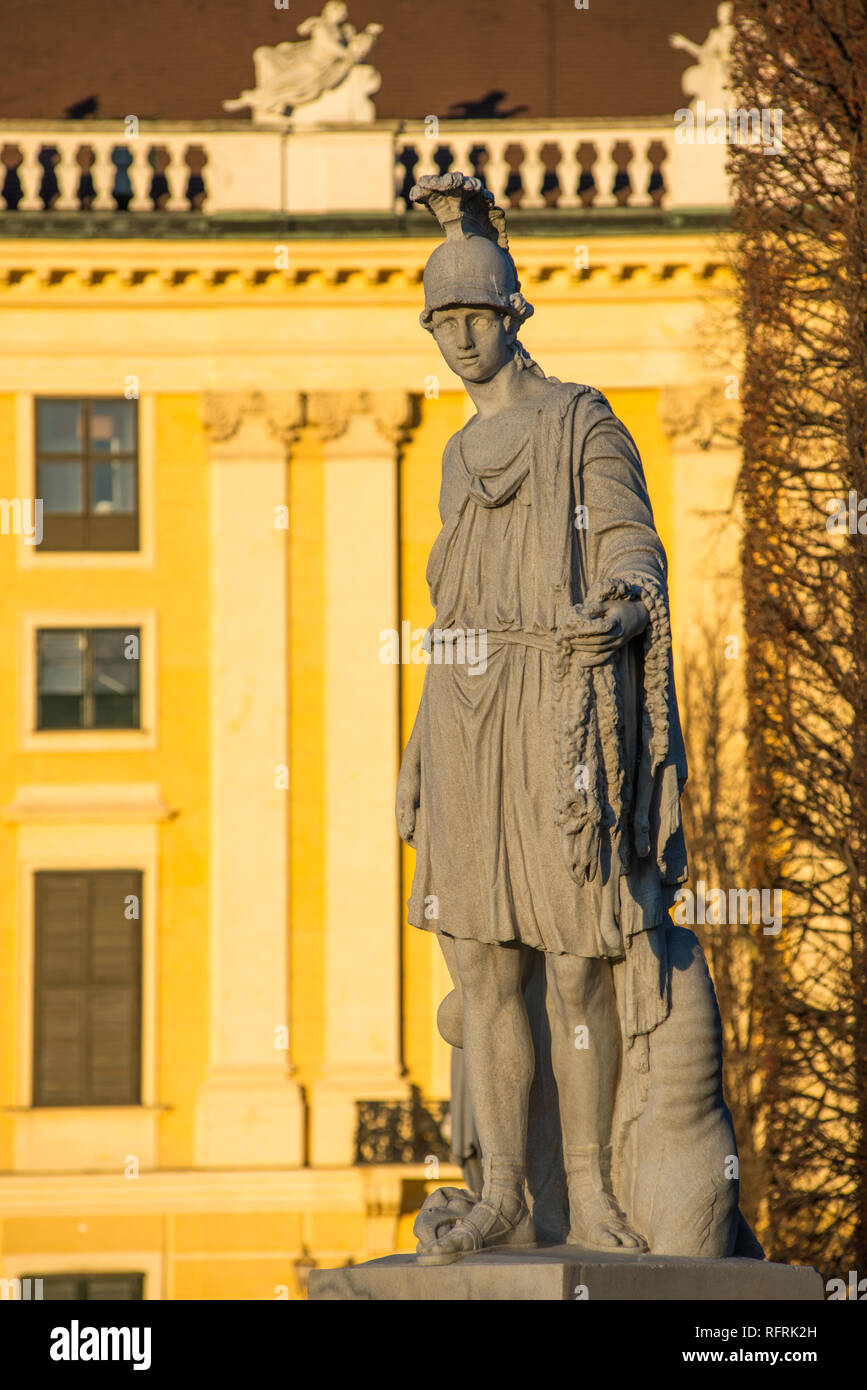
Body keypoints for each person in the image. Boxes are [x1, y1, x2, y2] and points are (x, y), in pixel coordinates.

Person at [397, 173, 689, 1264]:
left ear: (513, 312)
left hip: (560, 706)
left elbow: (630, 538)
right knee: (483, 963)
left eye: (475, 315)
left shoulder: (579, 419)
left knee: (574, 961)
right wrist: (419, 751)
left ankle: (593, 1196)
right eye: (442, 321)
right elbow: (450, 612)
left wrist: (621, 608)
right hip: (467, 708)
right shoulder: (455, 458)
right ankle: (505, 1195)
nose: (460, 338)